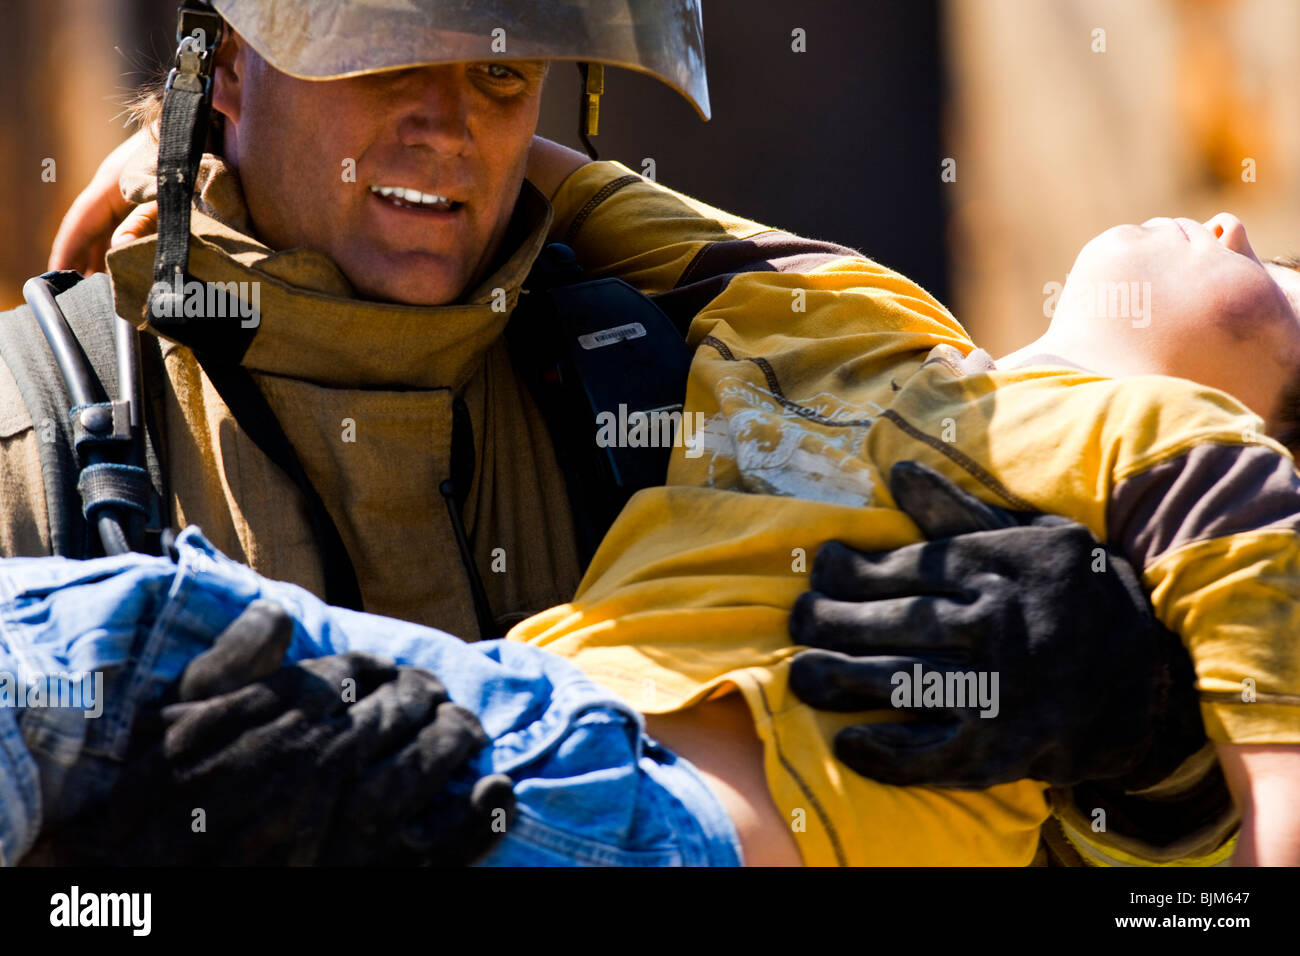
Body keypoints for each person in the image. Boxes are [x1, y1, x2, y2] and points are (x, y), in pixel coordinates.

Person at [14, 0, 1212, 864]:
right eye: (385, 57)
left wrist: (1148, 746)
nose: (448, 124)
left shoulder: (685, 381)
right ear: (227, 67)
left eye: (499, 75)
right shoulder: (43, 434)